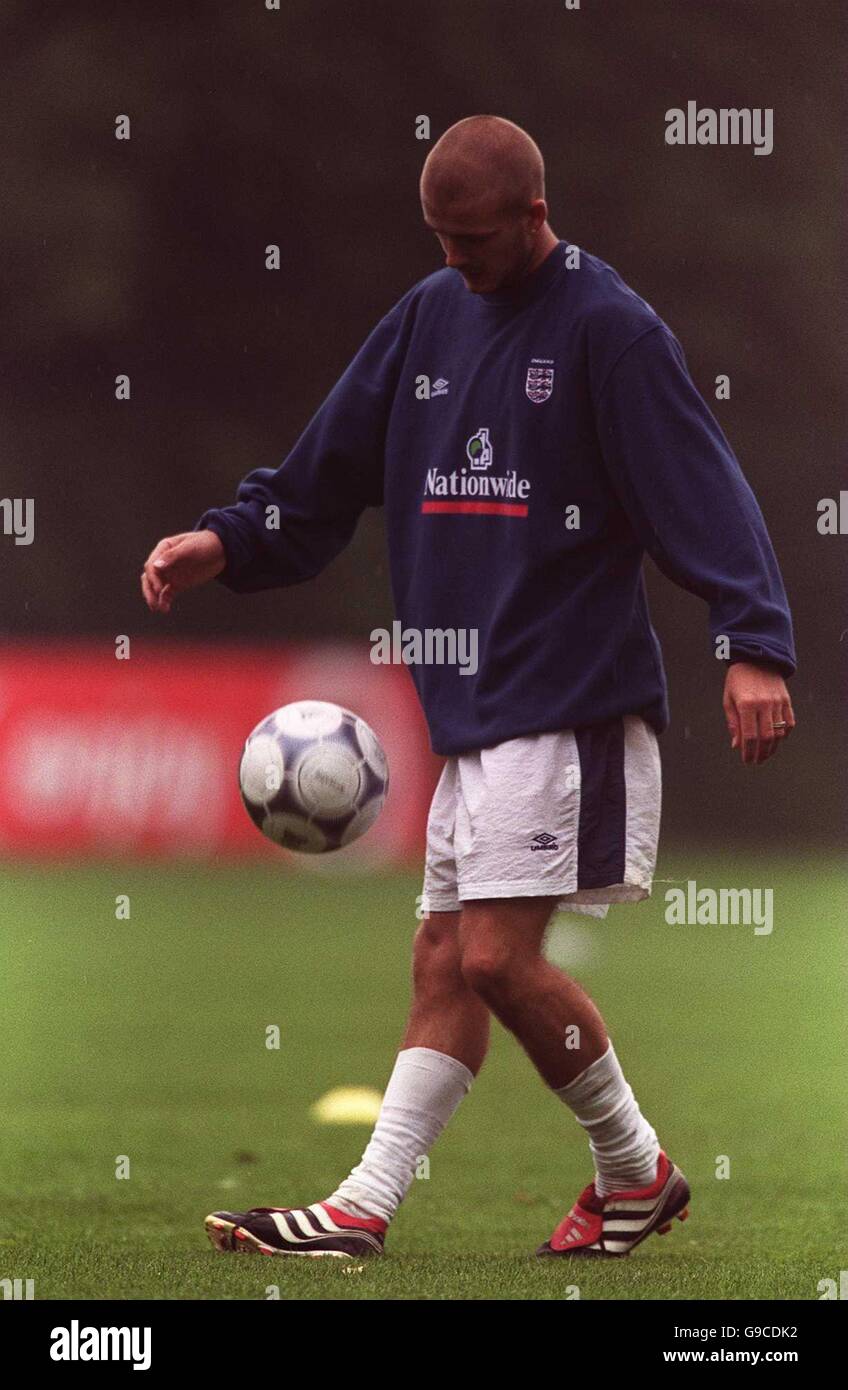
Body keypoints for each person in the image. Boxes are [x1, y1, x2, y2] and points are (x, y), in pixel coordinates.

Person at [141, 115, 796, 1259]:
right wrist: (229, 541)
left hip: (571, 697)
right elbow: (326, 468)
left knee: (493, 958)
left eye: (476, 239)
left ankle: (629, 1172)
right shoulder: (428, 314)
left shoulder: (610, 330)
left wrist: (752, 640)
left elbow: (703, 488)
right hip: (473, 706)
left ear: (534, 216)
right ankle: (373, 1209)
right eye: (440, 238)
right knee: (444, 962)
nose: (457, 259)